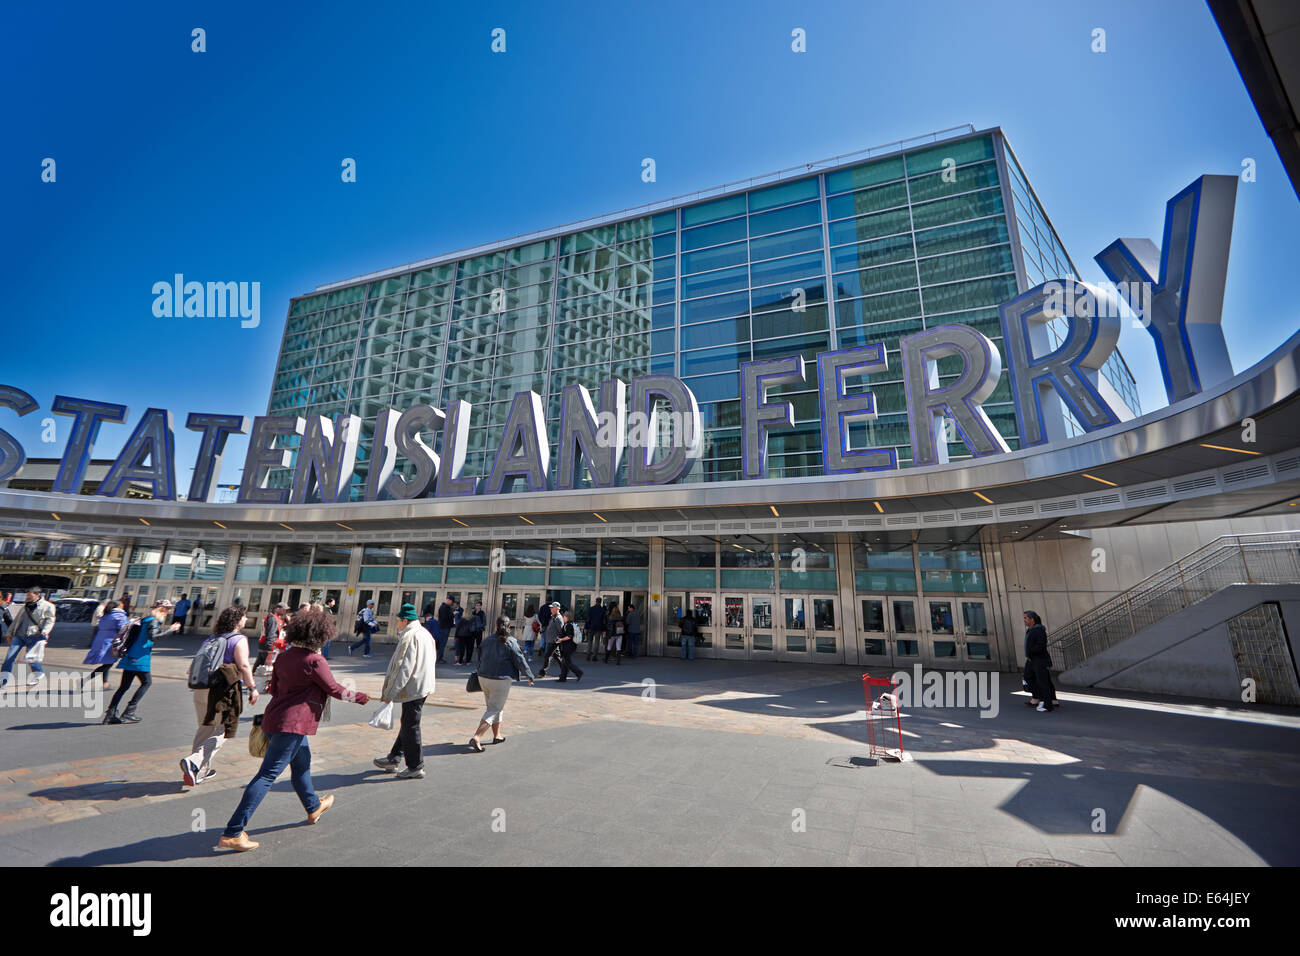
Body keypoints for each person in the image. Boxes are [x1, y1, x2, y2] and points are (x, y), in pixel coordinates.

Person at [216, 607, 370, 852]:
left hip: (275, 718)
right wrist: (362, 697)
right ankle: (233, 832)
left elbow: (274, 688)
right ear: (319, 636)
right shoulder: (314, 660)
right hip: (293, 724)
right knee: (266, 775)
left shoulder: (285, 656)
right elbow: (335, 690)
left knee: (301, 765)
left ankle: (312, 807)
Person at [180, 605, 259, 788]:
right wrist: (252, 688)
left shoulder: (211, 638)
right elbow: (244, 666)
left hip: (201, 688)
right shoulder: (238, 639)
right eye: (244, 617)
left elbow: (193, 664)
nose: (246, 620)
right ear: (238, 620)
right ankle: (195, 761)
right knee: (224, 728)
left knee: (205, 728)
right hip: (221, 692)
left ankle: (200, 770)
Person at [373, 603, 437, 779]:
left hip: (413, 687)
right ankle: (394, 758)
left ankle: (416, 766)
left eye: (398, 621)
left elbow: (403, 667)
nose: (397, 624)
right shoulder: (425, 633)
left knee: (411, 725)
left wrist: (390, 694)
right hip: (424, 684)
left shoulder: (410, 636)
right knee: (408, 722)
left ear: (404, 620)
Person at [103, 600, 181, 723]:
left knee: (123, 687)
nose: (169, 612)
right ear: (161, 609)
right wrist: (171, 629)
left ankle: (110, 714)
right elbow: (154, 636)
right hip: (139, 658)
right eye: (167, 609)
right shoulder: (153, 621)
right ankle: (129, 711)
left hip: (130, 655)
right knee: (147, 682)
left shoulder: (144, 620)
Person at [468, 616, 534, 751]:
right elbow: (519, 659)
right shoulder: (511, 641)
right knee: (494, 709)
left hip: (483, 677)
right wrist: (529, 675)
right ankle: (477, 737)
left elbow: (479, 658)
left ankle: (497, 735)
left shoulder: (486, 640)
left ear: (496, 627)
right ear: (509, 627)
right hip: (501, 679)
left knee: (494, 706)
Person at [4, 587, 56, 687]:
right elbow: (16, 621)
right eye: (27, 595)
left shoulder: (48, 606)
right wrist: (9, 633)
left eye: (30, 595)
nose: (27, 597)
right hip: (19, 635)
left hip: (35, 635)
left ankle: (38, 674)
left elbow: (50, 620)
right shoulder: (25, 606)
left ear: (38, 595)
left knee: (31, 658)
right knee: (9, 658)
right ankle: (3, 680)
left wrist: (45, 631)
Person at [82, 596, 128, 687]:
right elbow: (123, 628)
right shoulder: (119, 615)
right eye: (122, 605)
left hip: (101, 639)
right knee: (108, 664)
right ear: (118, 606)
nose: (123, 606)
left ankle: (104, 683)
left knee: (107, 662)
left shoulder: (106, 615)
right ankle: (85, 680)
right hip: (111, 641)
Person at [1023, 611, 1058, 712]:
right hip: (1032, 659)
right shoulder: (1031, 630)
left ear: (1032, 619)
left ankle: (1047, 705)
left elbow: (1041, 646)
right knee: (1028, 677)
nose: (1024, 620)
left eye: (1026, 618)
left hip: (1039, 659)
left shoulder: (1038, 630)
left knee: (1042, 681)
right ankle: (1041, 698)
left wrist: (1031, 651)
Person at [255, 604, 287, 672]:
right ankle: (252, 679)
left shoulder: (274, 618)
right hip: (268, 646)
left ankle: (252, 677)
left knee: (260, 664)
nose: (285, 611)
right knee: (263, 667)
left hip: (266, 645)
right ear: (277, 609)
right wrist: (270, 650)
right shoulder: (272, 619)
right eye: (283, 609)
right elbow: (271, 634)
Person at [554, 610, 583, 683]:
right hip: (569, 646)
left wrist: (561, 639)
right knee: (564, 662)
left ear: (567, 617)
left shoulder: (568, 625)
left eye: (564, 616)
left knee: (567, 662)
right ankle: (563, 678)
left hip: (568, 646)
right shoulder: (570, 624)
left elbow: (569, 636)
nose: (563, 617)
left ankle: (578, 672)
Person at [537, 601, 564, 677]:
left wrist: (558, 640)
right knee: (557, 657)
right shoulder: (553, 617)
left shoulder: (558, 618)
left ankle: (542, 673)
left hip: (554, 641)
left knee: (547, 656)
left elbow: (561, 630)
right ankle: (565, 669)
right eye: (551, 608)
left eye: (552, 607)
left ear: (557, 608)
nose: (551, 609)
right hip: (550, 639)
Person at [435, 595, 455, 664]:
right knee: (442, 644)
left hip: (445, 627)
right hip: (444, 628)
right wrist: (453, 615)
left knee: (442, 644)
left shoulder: (446, 607)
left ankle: (439, 658)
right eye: (452, 601)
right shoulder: (444, 608)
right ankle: (439, 658)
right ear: (449, 600)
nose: (452, 603)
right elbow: (444, 617)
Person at [466, 601, 487, 665]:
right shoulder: (473, 613)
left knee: (479, 646)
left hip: (478, 631)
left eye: (478, 605)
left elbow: (484, 622)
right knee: (470, 646)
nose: (477, 606)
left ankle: (479, 660)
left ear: (480, 606)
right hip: (472, 631)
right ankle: (468, 660)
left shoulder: (482, 613)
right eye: (476, 605)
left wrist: (479, 627)